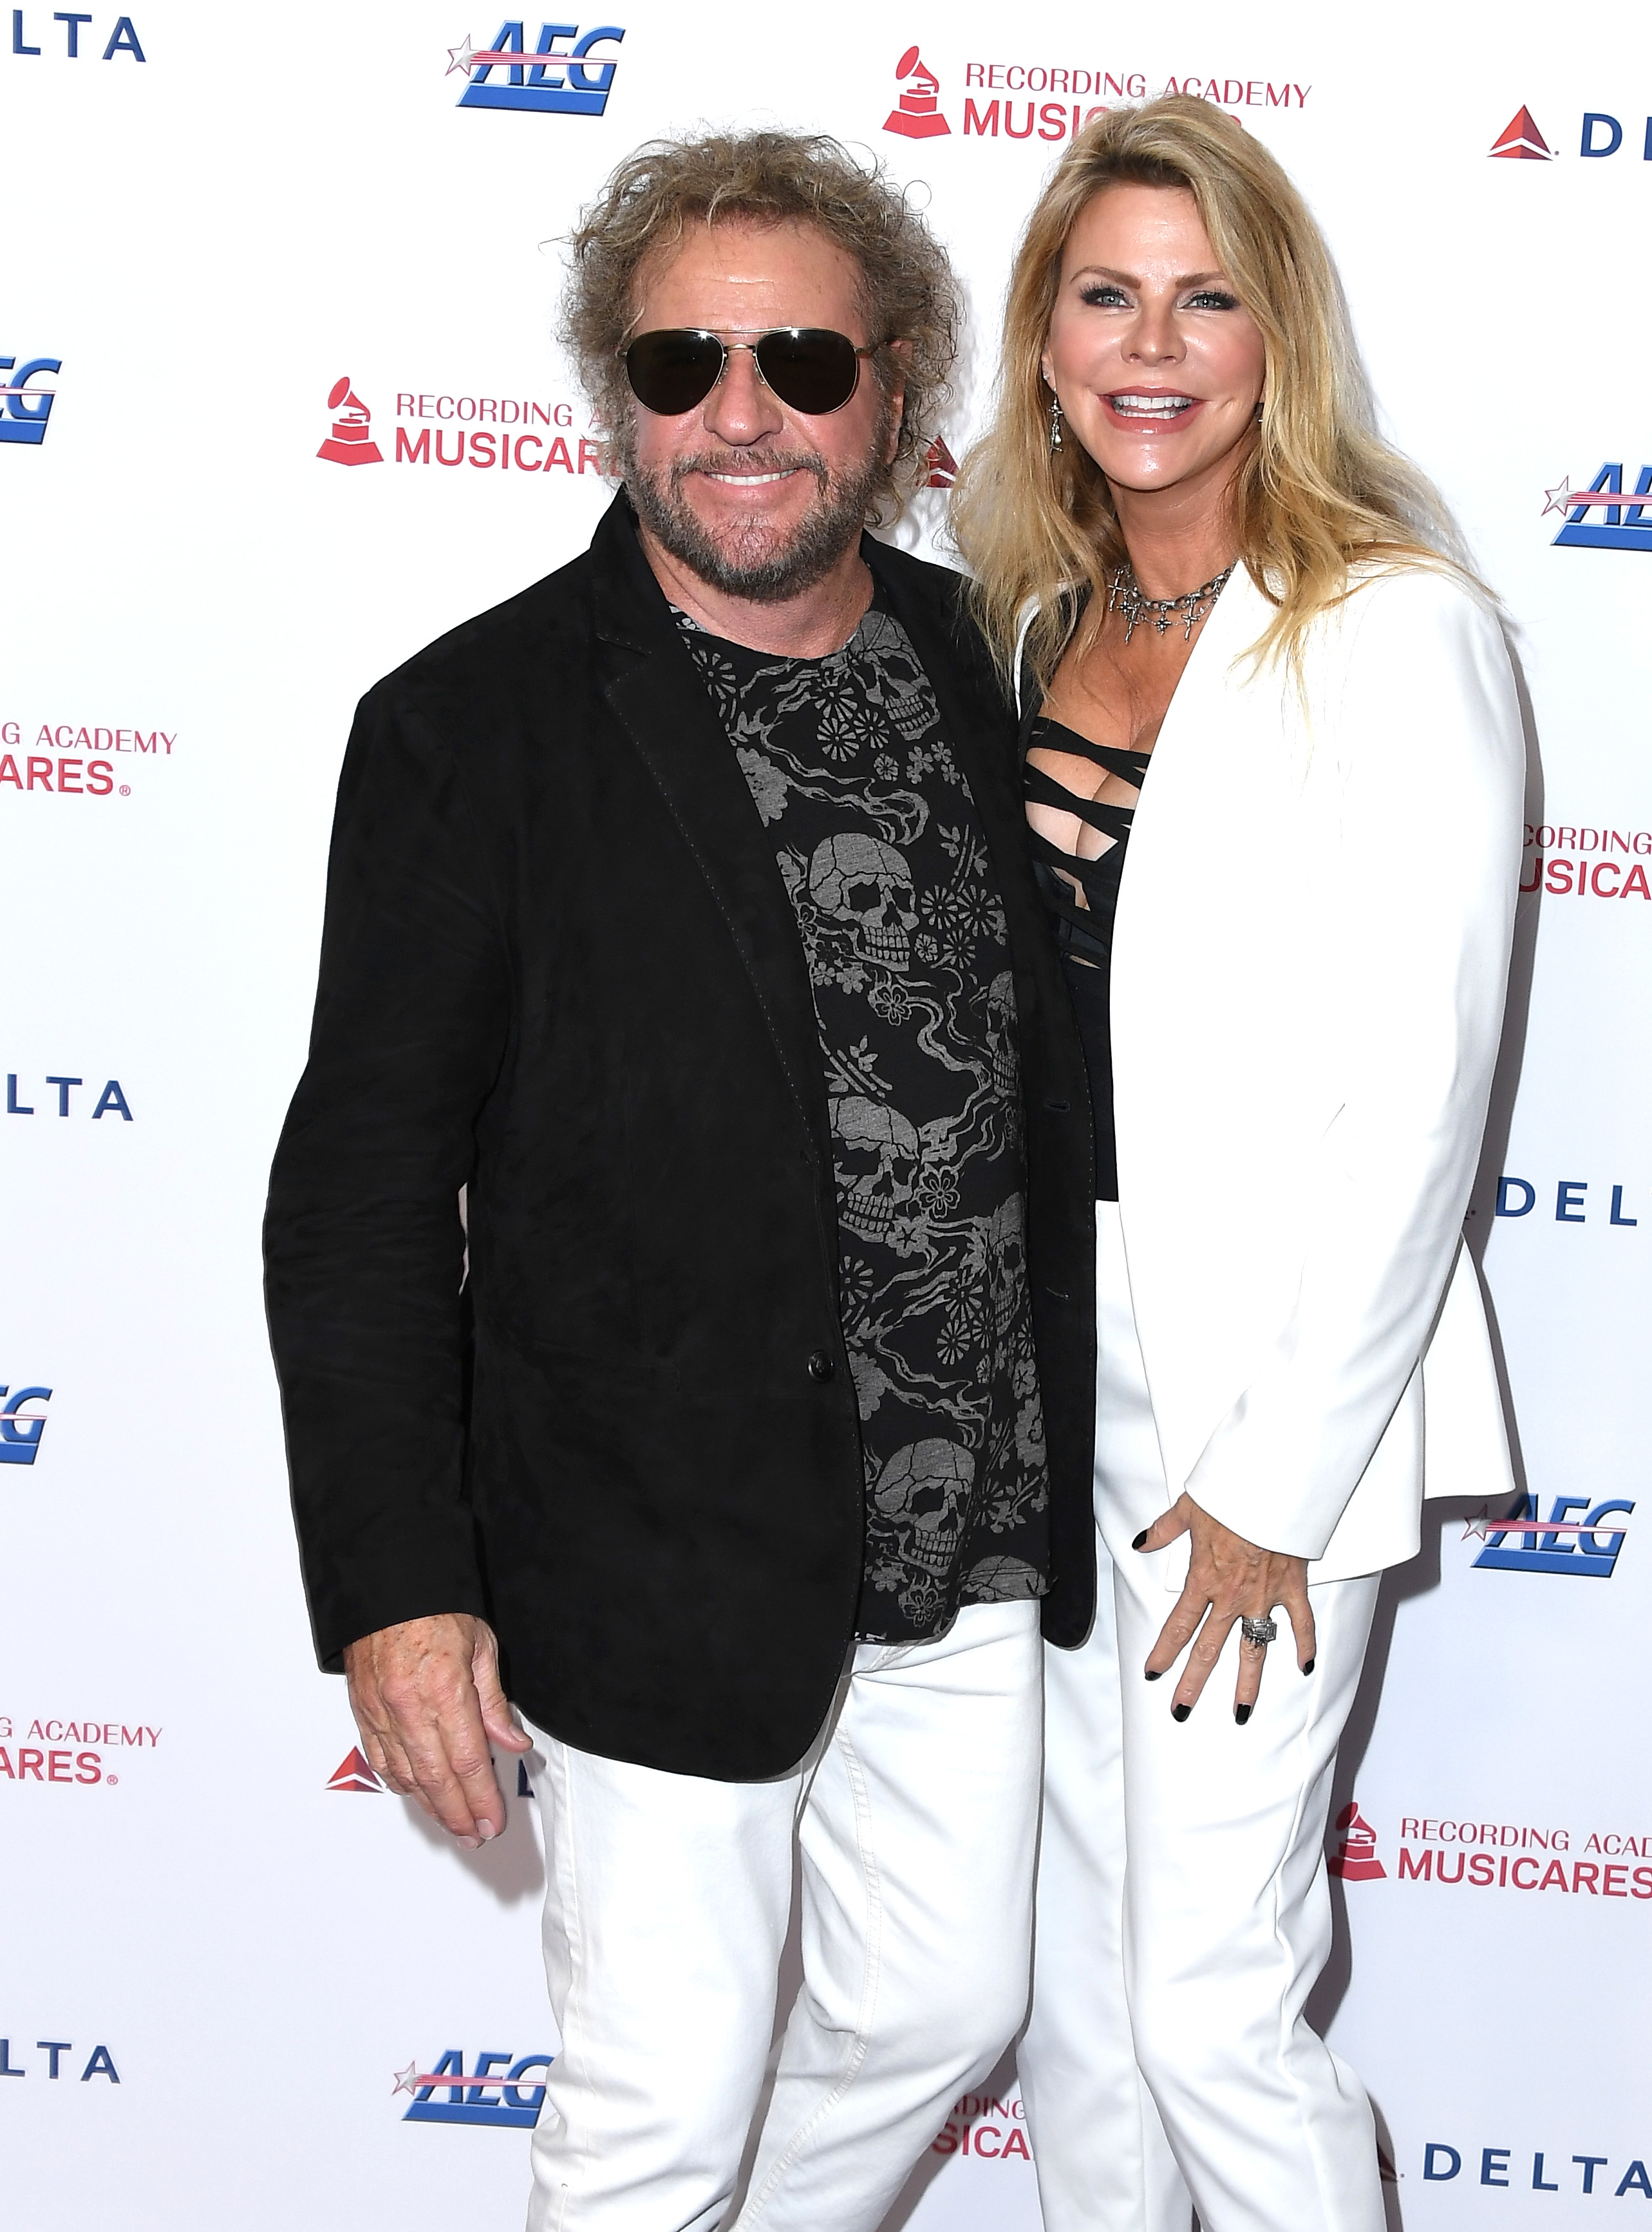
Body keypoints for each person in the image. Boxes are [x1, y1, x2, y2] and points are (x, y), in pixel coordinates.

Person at [263, 129, 1094, 2232]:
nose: (743, 413)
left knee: (932, 2011)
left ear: (895, 392)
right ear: (613, 389)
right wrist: (396, 1576)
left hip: (964, 1536)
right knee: (654, 2112)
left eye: (804, 361)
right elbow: (359, 1185)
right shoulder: (471, 727)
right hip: (642, 1540)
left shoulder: (992, 660)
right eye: (681, 362)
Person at [951, 96, 1523, 2232]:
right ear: (1041, 340)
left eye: (1206, 297)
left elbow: (1418, 1098)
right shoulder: (1029, 621)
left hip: (1267, 1397)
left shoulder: (1392, 626)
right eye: (1106, 292)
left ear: (1276, 341)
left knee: (1206, 2000)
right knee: (1084, 2003)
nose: (1152, 341)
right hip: (1052, 1378)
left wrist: (1277, 1486)